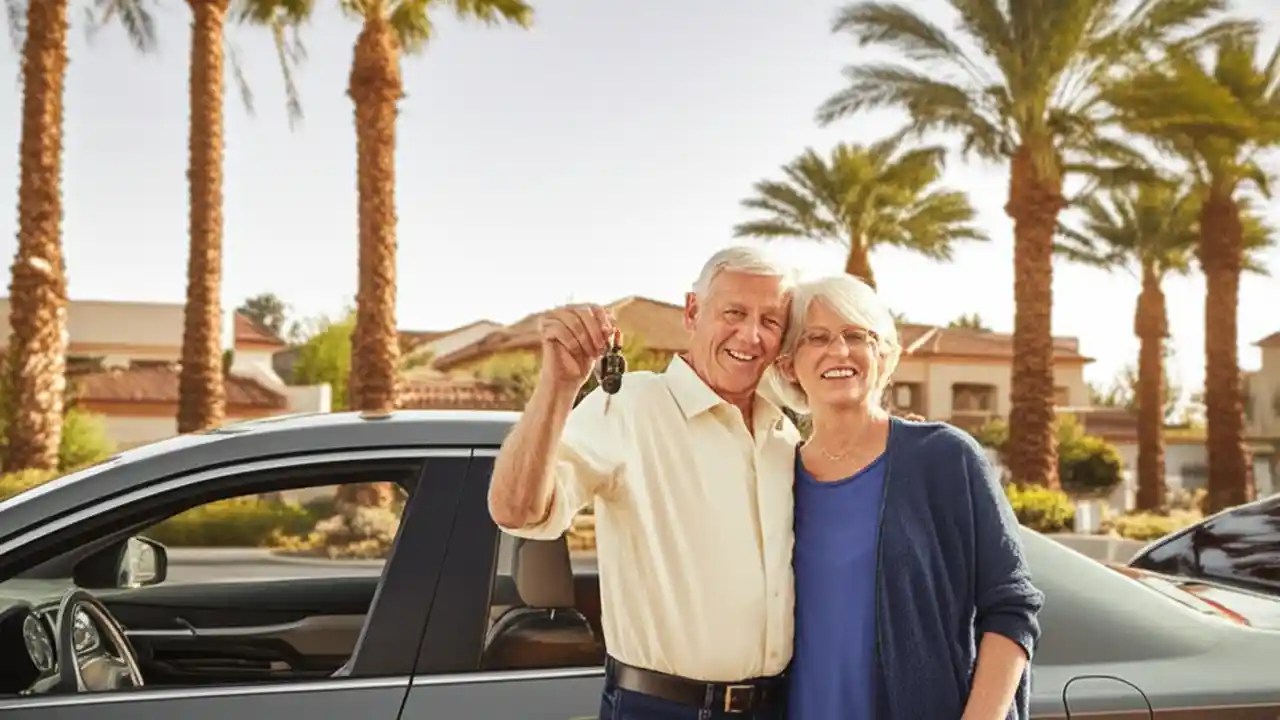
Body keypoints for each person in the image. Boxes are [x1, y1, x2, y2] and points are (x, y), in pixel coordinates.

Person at [487, 246, 801, 720]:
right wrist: (559, 384)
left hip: (778, 706)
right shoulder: (629, 408)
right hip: (662, 708)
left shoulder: (785, 434)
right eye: (734, 313)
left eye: (770, 321)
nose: (751, 335)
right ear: (693, 312)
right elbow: (518, 511)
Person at [765, 273, 1045, 720]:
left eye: (856, 335)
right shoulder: (775, 475)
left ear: (885, 354)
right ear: (787, 364)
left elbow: (1011, 605)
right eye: (815, 338)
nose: (839, 351)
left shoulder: (943, 457)